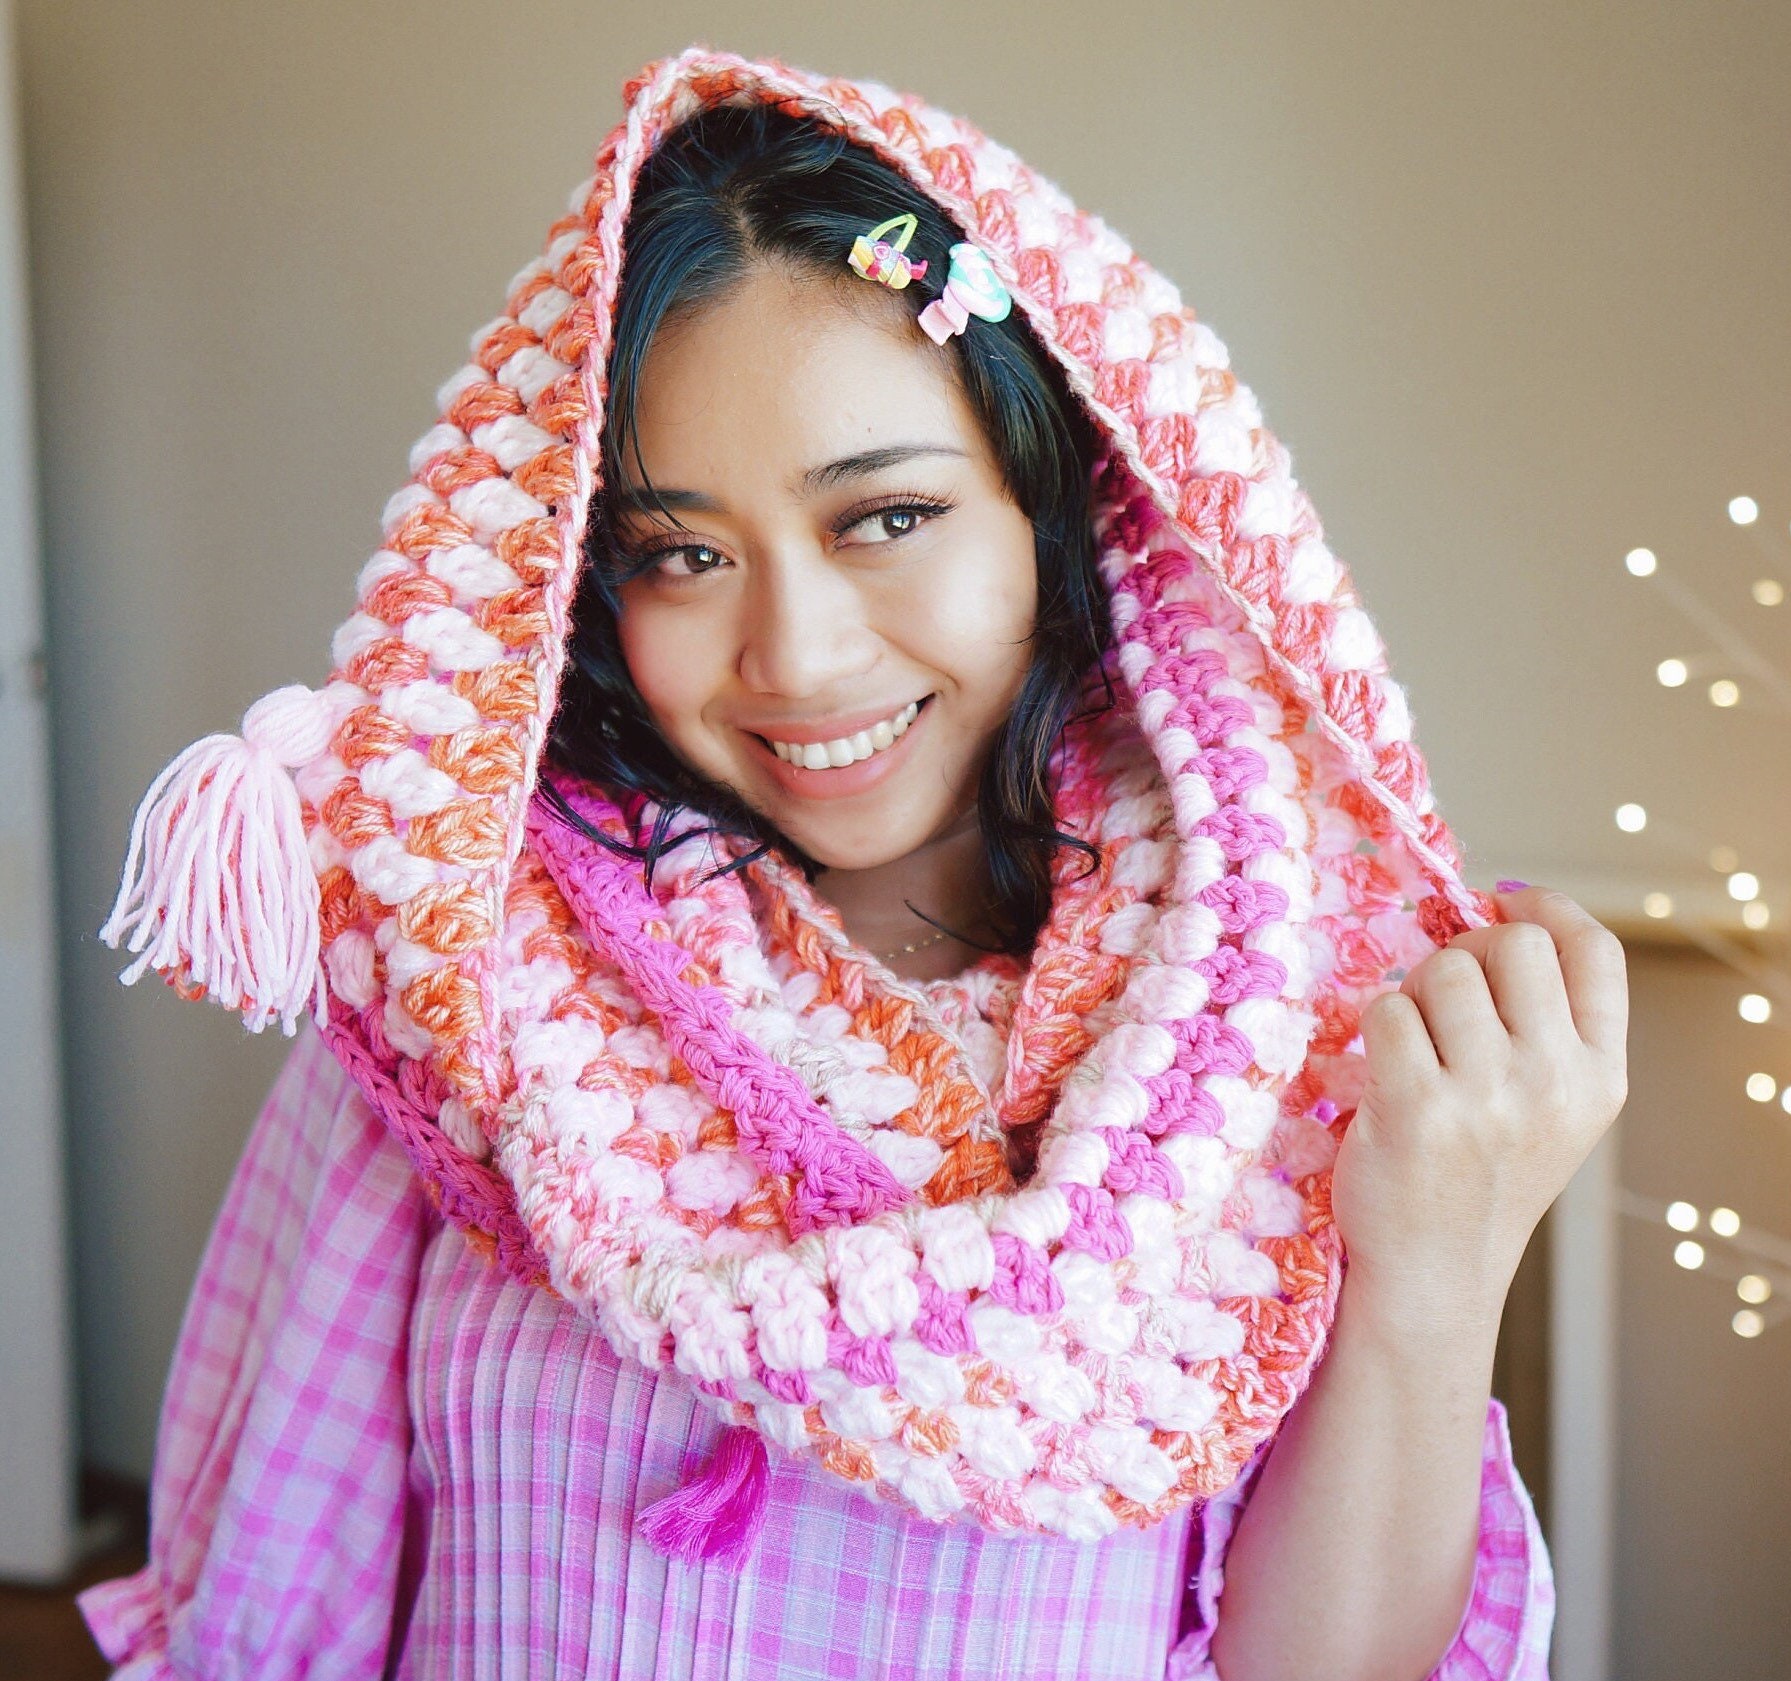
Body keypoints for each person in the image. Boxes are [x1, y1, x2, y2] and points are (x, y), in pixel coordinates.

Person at [82, 47, 1625, 1681]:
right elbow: (265, 1615)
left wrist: (1437, 1267)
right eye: (681, 553)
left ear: (1057, 505)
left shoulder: (1283, 1057)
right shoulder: (456, 987)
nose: (797, 657)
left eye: (885, 515)